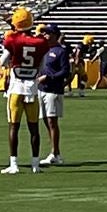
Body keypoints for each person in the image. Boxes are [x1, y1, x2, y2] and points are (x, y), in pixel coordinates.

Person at [0, 7, 49, 175]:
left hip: (16, 87)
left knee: (14, 126)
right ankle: (35, 164)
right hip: (32, 88)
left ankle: (14, 164)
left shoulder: (12, 39)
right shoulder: (40, 42)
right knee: (34, 127)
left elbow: (3, 60)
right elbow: (42, 66)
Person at [37, 23, 71, 166]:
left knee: (52, 121)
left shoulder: (60, 51)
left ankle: (55, 152)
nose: (45, 35)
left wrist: (49, 77)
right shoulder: (44, 49)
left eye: (48, 33)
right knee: (46, 120)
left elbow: (65, 71)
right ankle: (54, 152)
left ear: (55, 35)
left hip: (53, 90)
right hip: (42, 89)